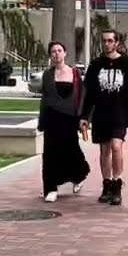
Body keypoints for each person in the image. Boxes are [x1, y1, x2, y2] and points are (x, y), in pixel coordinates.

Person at [80, 29, 128, 206]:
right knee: (104, 151)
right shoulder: (95, 65)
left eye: (110, 40)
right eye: (104, 41)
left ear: (117, 43)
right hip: (101, 114)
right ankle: (107, 184)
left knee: (116, 147)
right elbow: (89, 94)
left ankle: (117, 183)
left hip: (120, 113)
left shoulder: (126, 63)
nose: (107, 44)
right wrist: (84, 116)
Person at [37, 41, 90, 202]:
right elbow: (45, 98)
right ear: (50, 55)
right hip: (52, 117)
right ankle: (50, 188)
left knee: (71, 150)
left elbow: (81, 96)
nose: (56, 54)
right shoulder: (47, 74)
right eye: (53, 51)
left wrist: (83, 118)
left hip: (69, 118)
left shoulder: (74, 73)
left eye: (59, 51)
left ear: (65, 53)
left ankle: (78, 176)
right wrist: (42, 120)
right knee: (50, 153)